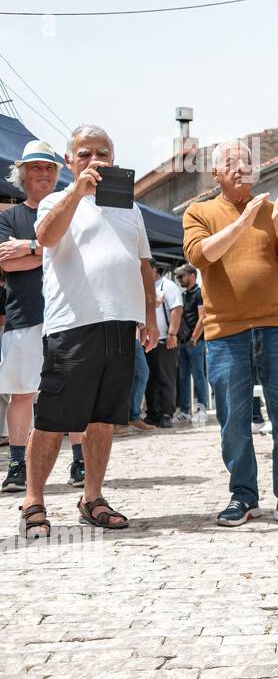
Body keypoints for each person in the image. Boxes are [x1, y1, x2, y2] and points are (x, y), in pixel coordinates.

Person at [17, 125, 158, 539]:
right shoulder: (56, 201)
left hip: (121, 323)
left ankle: (92, 497)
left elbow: (143, 264)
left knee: (103, 419)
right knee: (53, 419)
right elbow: (44, 238)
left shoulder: (129, 207)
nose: (95, 160)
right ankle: (33, 500)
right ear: (69, 161)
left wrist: (148, 315)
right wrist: (78, 193)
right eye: (85, 154)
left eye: (103, 153)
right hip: (72, 325)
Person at [182, 141, 278, 527]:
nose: (242, 166)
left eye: (247, 160)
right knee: (234, 423)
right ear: (215, 173)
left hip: (277, 327)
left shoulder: (270, 212)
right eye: (232, 162)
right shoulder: (199, 212)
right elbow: (200, 256)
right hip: (226, 332)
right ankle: (243, 496)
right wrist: (243, 220)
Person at [0, 140, 88, 492]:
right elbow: (7, 261)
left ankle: (80, 462)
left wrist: (32, 247)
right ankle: (18, 465)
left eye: (50, 167)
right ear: (22, 173)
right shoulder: (9, 217)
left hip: (69, 313)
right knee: (22, 394)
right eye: (36, 167)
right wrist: (48, 247)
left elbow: (81, 254)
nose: (43, 173)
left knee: (75, 393)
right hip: (25, 315)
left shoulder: (73, 210)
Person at [144, 262, 182, 428]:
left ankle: (166, 413)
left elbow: (177, 309)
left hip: (166, 340)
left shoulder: (168, 286)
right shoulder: (145, 287)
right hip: (148, 341)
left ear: (153, 270)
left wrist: (172, 334)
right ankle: (152, 412)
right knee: (150, 379)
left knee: (166, 378)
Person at [174, 264, 208, 425]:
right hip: (183, 341)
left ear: (192, 275)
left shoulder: (199, 293)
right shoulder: (184, 294)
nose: (179, 279)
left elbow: (202, 317)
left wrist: (194, 337)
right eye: (177, 277)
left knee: (199, 376)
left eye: (182, 276)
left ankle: (202, 409)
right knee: (183, 377)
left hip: (195, 342)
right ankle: (185, 411)